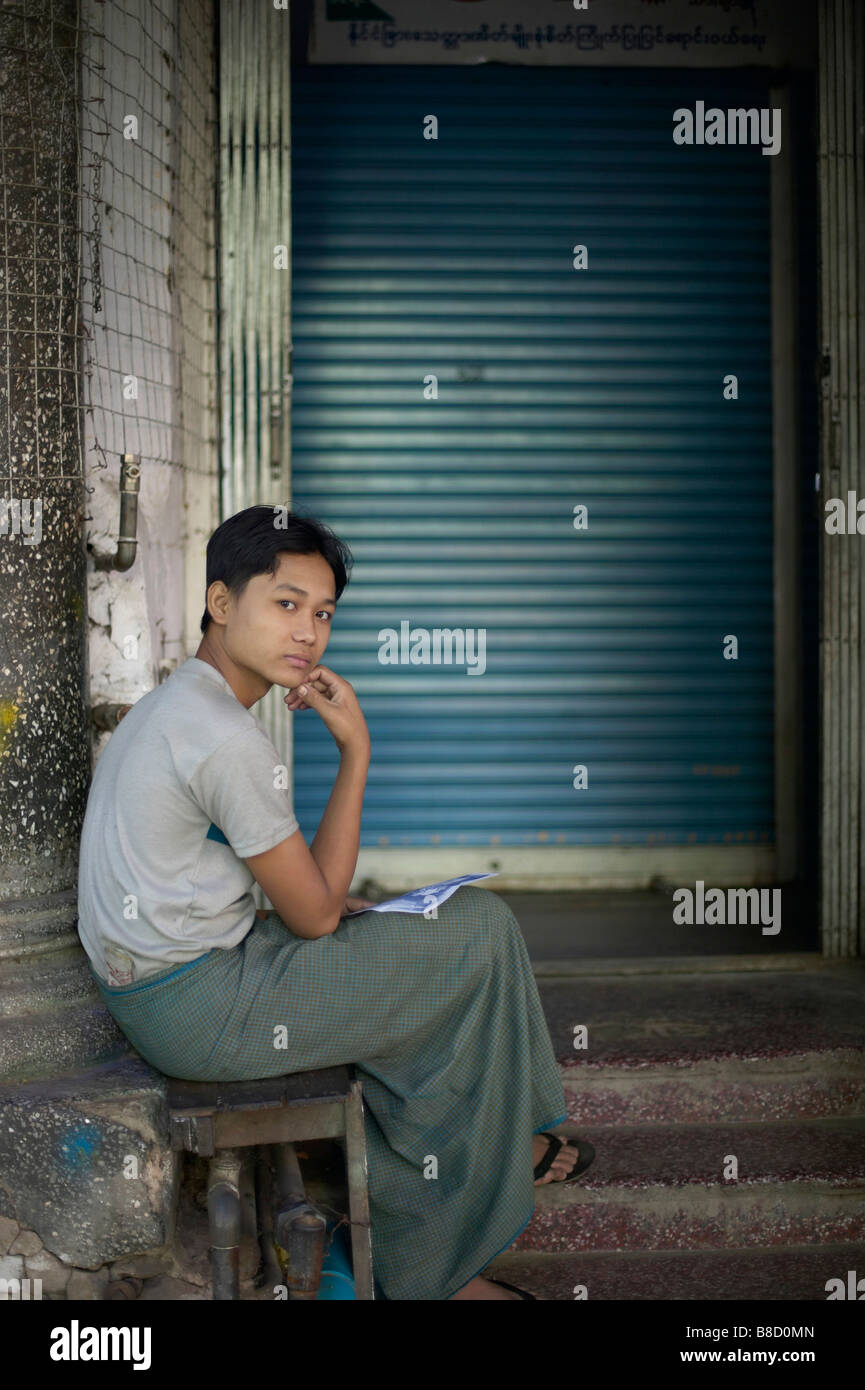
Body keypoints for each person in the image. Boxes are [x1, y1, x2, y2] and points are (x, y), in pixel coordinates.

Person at [77, 505, 589, 1301]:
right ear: (220, 603)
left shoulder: (179, 703)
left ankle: (490, 1149)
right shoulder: (224, 738)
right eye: (285, 604)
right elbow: (314, 915)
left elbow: (270, 893)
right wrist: (355, 751)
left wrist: (310, 906)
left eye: (322, 614)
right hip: (199, 1009)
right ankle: (441, 1271)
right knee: (479, 931)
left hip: (175, 985)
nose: (308, 632)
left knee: (412, 944)